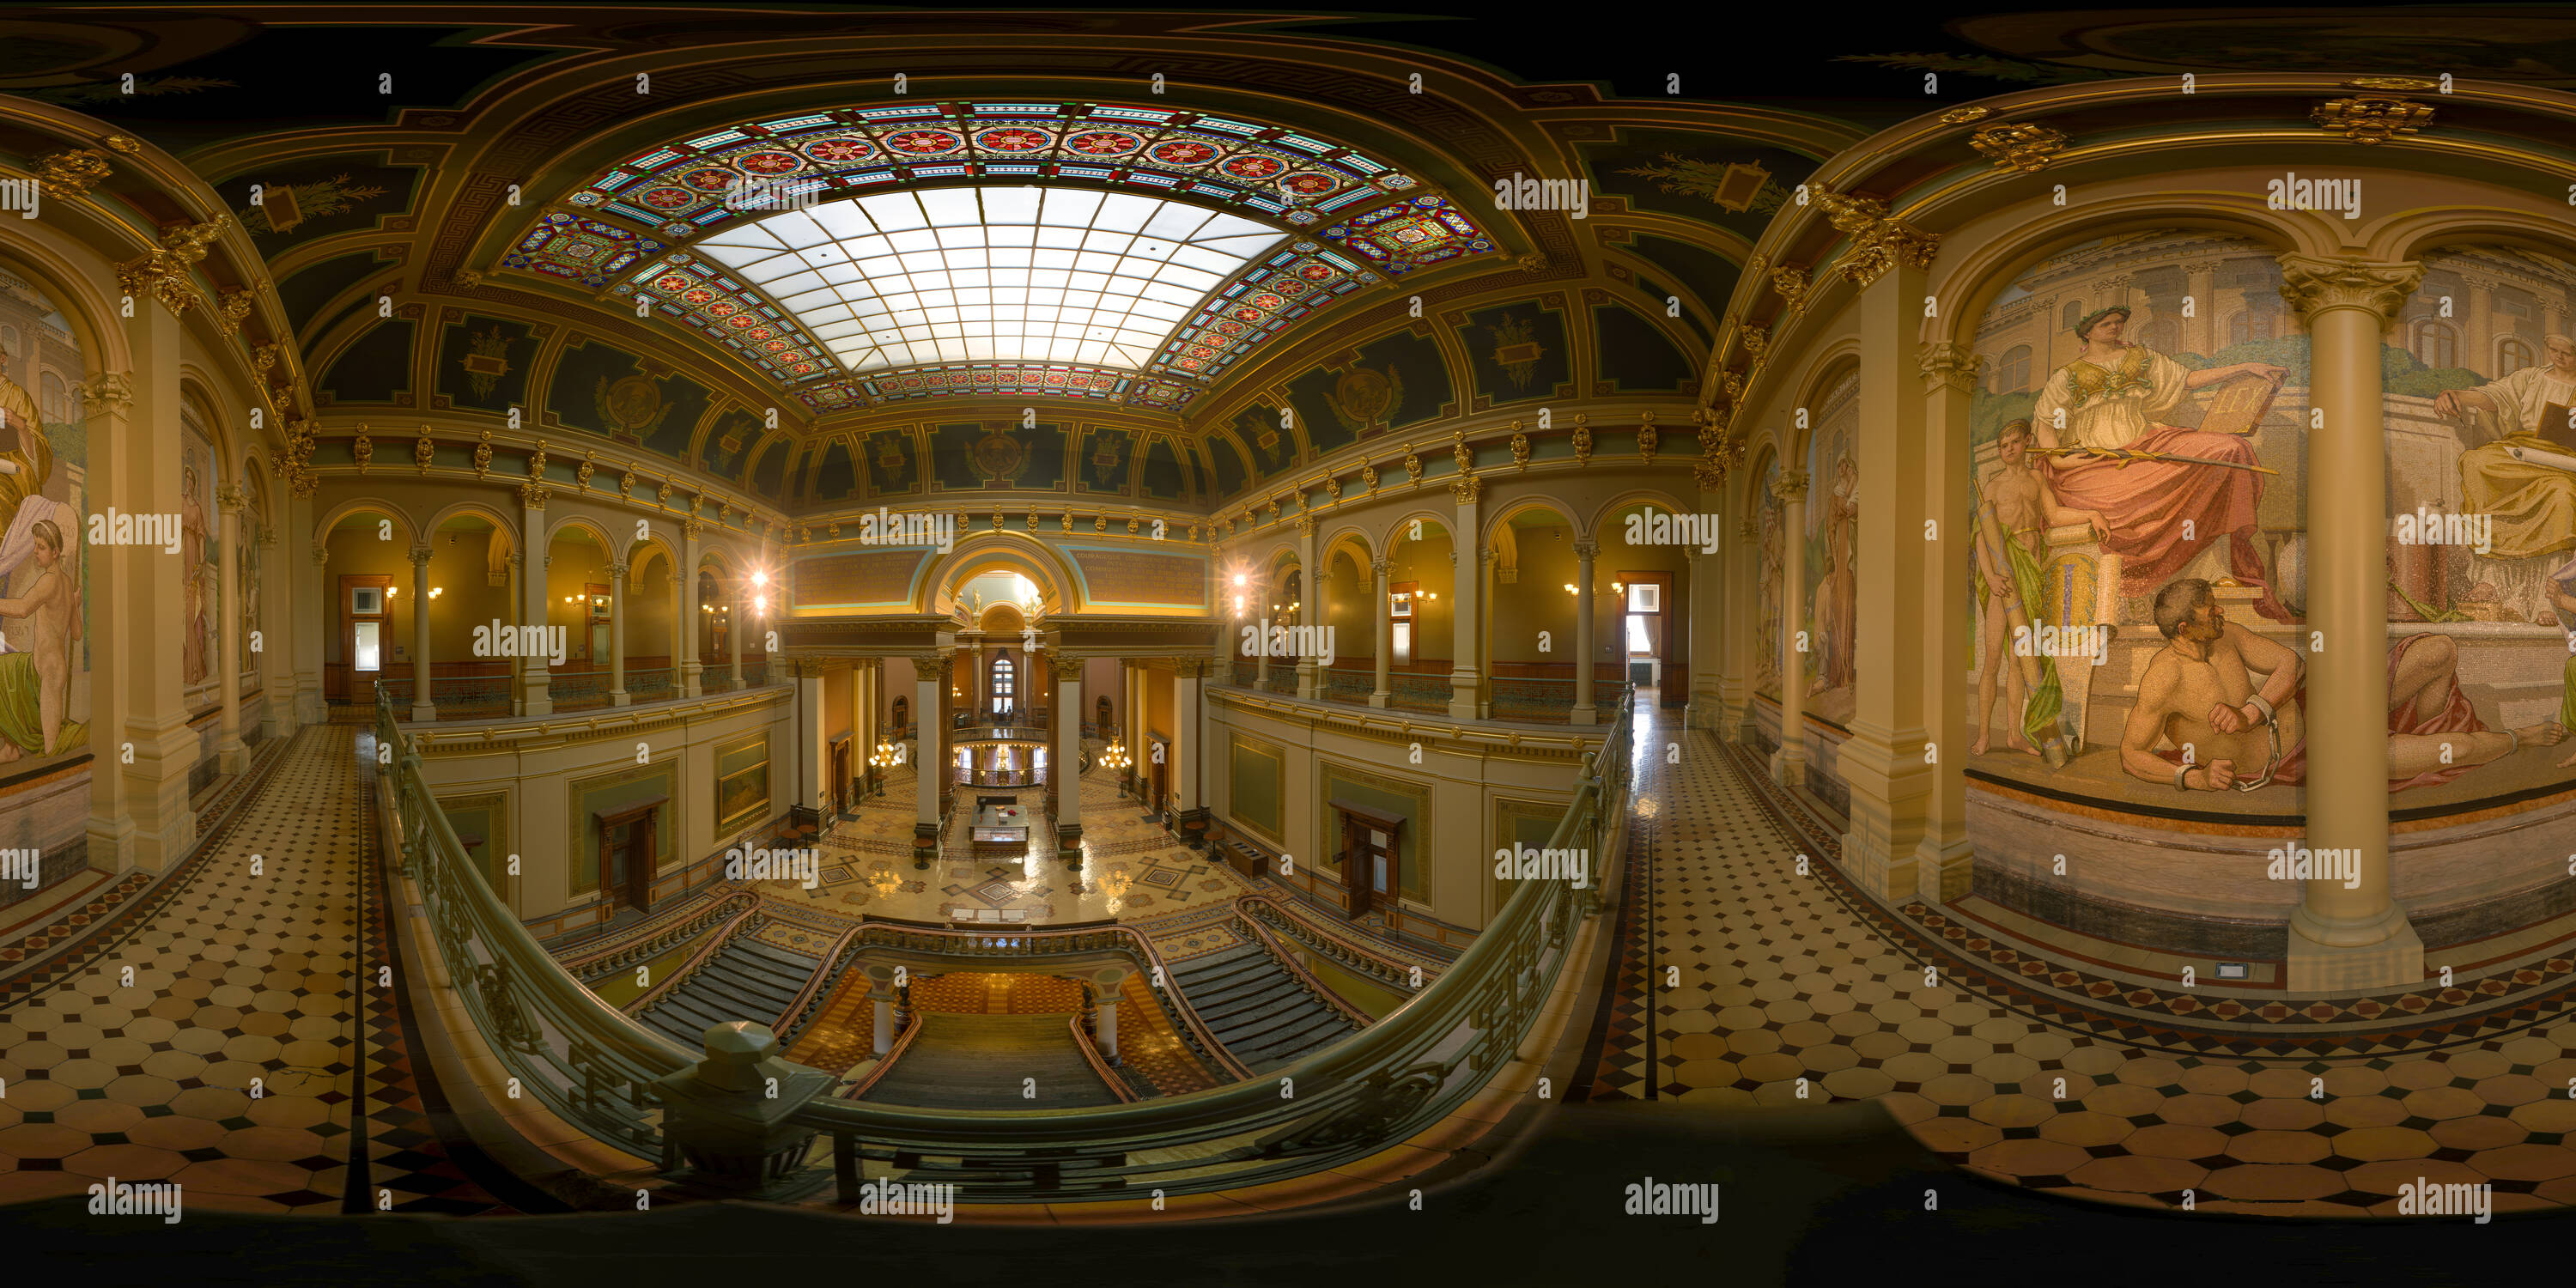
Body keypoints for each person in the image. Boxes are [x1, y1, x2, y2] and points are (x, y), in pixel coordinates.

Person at [2121, 577, 2561, 793]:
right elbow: (2131, 755)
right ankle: (2517, 739)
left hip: (2323, 707)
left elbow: (2290, 664)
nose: (2220, 615)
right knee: (2459, 750)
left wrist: (2250, 712)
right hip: (2314, 755)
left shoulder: (2228, 635)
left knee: (2439, 649)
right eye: (2210, 612)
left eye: (2217, 608)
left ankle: (2412, 735)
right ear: (2183, 628)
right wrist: (2191, 778)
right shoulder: (2164, 677)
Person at [2031, 307, 2293, 621]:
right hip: (2094, 460)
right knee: (2114, 500)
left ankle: (2219, 564)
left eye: (2119, 322)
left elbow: (2188, 380)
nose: (2115, 328)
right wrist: (2058, 461)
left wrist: (2243, 368)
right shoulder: (2067, 375)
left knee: (2229, 448)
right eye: (2106, 323)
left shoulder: (2140, 357)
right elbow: (2046, 422)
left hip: (2146, 444)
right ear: (2087, 331)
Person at [1973, 420, 2106, 756]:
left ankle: (2015, 734)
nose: (2009, 450)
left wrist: (2091, 514)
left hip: (2032, 570)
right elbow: (1979, 536)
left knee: (2022, 659)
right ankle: (1984, 735)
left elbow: (2054, 514)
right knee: (1992, 659)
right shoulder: (1991, 485)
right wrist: (1989, 575)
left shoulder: (2036, 479)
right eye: (2004, 446)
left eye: (2015, 443)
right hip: (2004, 572)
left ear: (2027, 442)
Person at [2444, 332, 2576, 559]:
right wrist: (2455, 395)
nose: (2558, 357)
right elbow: (2496, 396)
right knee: (2476, 461)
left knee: (2561, 492)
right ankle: (2487, 548)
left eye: (2567, 353)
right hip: (2521, 449)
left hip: (2562, 461)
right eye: (2554, 351)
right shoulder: (2532, 377)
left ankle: (2553, 567)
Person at [0, 519, 85, 762]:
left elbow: (23, 608)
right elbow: (77, 633)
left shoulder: (48, 581)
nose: (35, 552)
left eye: (41, 547)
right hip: (35, 666)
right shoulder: (67, 583)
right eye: (35, 545)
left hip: (49, 671)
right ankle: (11, 748)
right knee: (5, 672)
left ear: (55, 552)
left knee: (51, 750)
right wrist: (74, 605)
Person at [1808, 453, 1858, 697]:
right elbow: (1832, 521)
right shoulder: (1837, 493)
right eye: (1837, 464)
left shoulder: (1856, 486)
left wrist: (1850, 510)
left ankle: (1847, 669)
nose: (1840, 468)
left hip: (1852, 545)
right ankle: (1835, 672)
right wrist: (1835, 557)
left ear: (1849, 465)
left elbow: (1853, 510)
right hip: (1841, 548)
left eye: (1843, 464)